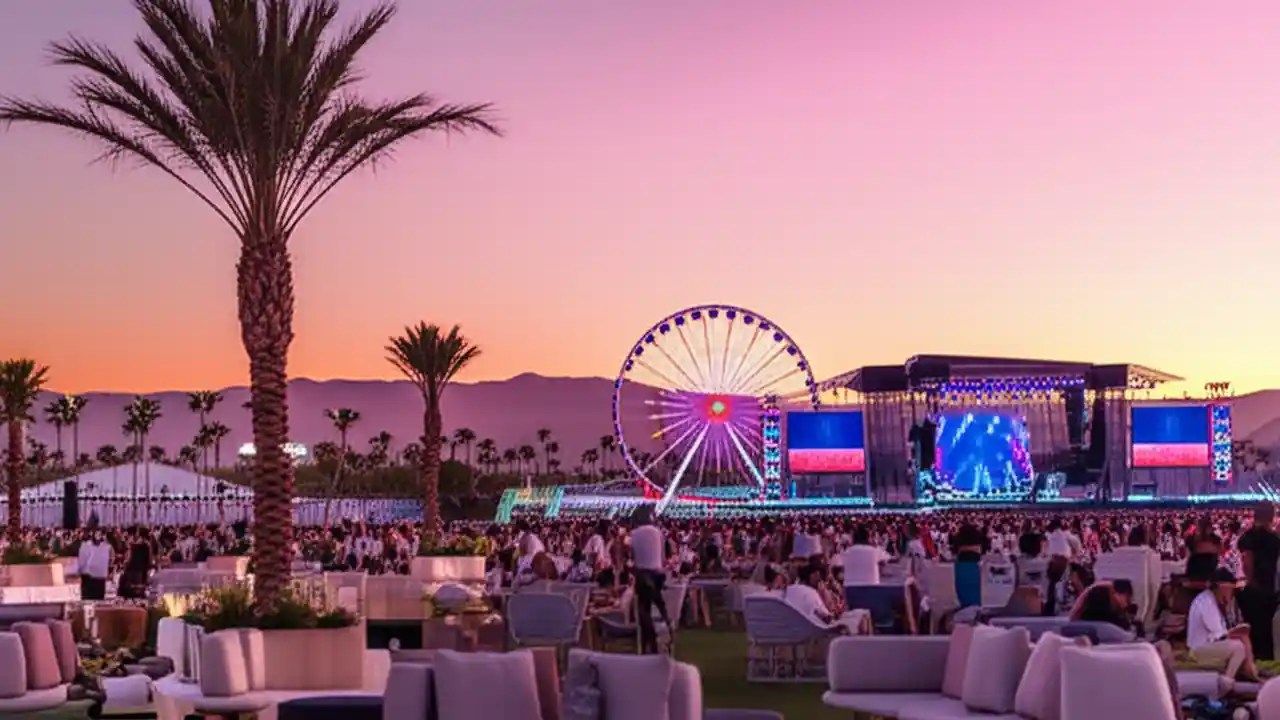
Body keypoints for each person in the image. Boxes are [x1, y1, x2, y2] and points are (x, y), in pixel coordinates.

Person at [1187, 568, 1260, 682]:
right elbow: (1219, 635)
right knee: (1238, 647)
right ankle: (1227, 682)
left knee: (1242, 641)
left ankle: (1249, 668)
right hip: (1199, 649)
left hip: (1210, 646)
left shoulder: (1218, 602)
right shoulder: (1206, 602)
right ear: (1221, 587)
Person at [1236, 505, 1279, 659]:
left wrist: (1251, 581)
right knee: (1267, 632)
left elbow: (1247, 562)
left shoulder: (1248, 538)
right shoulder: (1275, 539)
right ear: (1272, 517)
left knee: (1253, 630)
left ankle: (1252, 661)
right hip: (1271, 590)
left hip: (1255, 589)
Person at [630, 507, 671, 654]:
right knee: (659, 607)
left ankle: (649, 640)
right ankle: (666, 630)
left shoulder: (634, 534)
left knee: (643, 609)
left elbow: (633, 558)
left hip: (643, 575)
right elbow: (663, 558)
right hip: (658, 574)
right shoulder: (657, 532)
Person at [76, 531, 111, 601]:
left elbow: (81, 562)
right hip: (99, 578)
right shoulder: (106, 547)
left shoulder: (86, 546)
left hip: (90, 578)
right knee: (98, 601)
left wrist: (79, 571)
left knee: (88, 602)